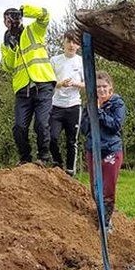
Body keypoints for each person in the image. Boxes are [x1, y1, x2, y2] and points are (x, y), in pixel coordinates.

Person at [0, 5, 56, 166]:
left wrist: (25, 10)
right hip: (22, 89)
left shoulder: (34, 30)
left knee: (41, 123)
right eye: (6, 19)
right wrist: (11, 47)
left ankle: (44, 157)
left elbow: (45, 15)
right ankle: (25, 159)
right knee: (19, 127)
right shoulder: (5, 43)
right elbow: (8, 66)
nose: (10, 21)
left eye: (13, 17)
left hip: (42, 83)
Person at [80, 71, 127, 230]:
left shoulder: (117, 104)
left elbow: (115, 126)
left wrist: (99, 112)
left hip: (111, 149)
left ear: (110, 88)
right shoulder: (89, 104)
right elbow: (84, 129)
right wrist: (90, 112)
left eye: (104, 86)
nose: (101, 90)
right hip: (93, 149)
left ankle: (106, 223)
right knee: (95, 188)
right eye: (98, 87)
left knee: (108, 188)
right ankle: (101, 216)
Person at [49, 30, 85, 175]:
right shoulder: (54, 60)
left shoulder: (81, 61)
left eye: (75, 42)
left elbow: (87, 84)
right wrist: (61, 84)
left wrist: (75, 84)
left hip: (74, 105)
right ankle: (57, 163)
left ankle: (70, 171)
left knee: (72, 141)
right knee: (52, 137)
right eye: (68, 41)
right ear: (63, 42)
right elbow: (49, 83)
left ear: (78, 45)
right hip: (56, 105)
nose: (71, 45)